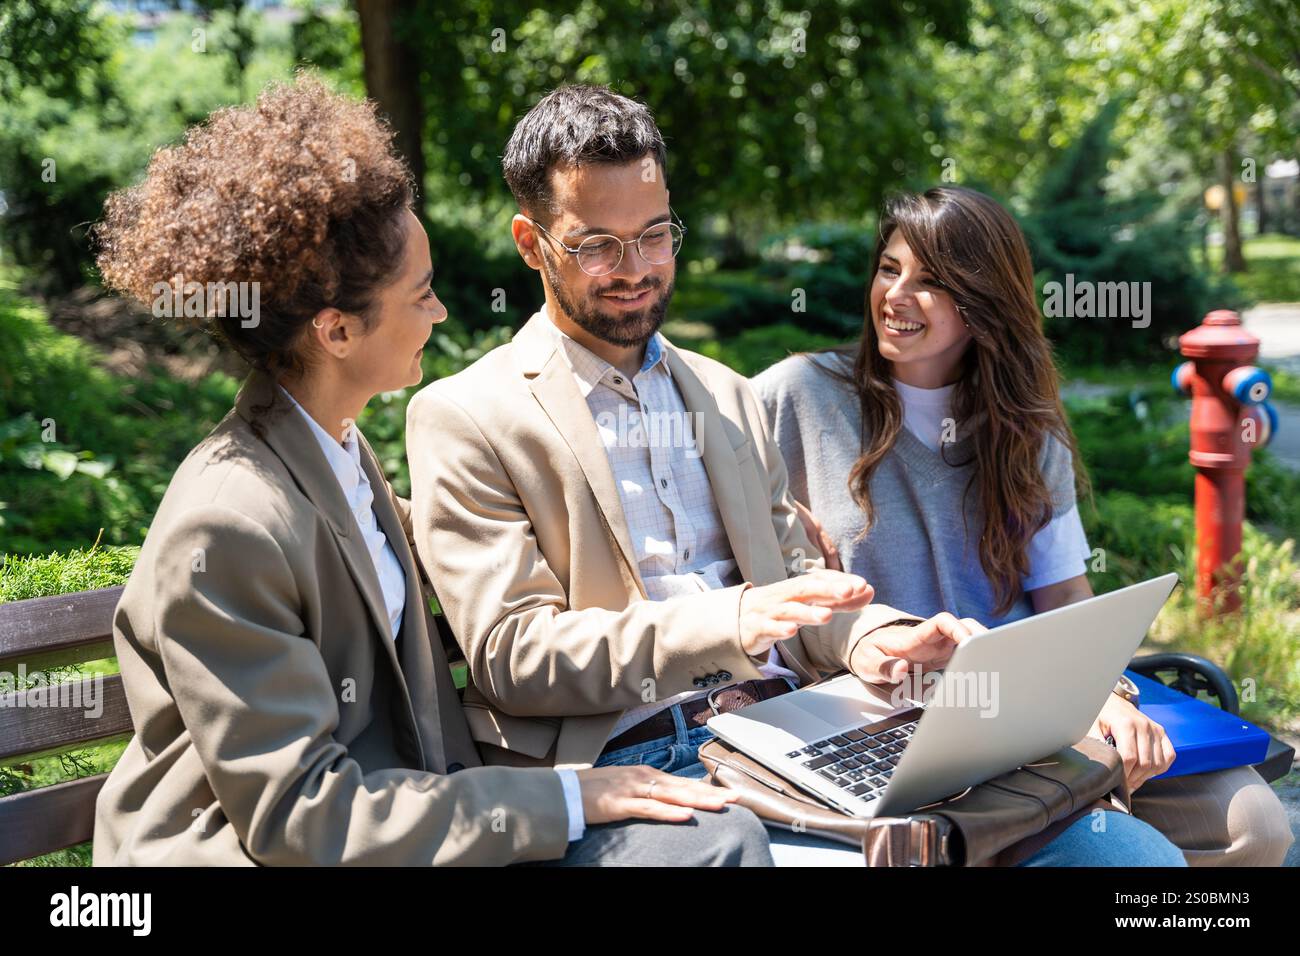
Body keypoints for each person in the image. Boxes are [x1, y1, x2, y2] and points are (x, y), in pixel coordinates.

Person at [405, 86, 1187, 866]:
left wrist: (885, 641)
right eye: (596, 246)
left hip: (800, 727)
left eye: (652, 235)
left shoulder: (724, 394)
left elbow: (803, 591)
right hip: (627, 761)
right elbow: (514, 656)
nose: (635, 269)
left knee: (1135, 863)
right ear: (531, 242)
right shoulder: (469, 414)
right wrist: (736, 620)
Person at [89, 75, 772, 867]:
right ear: (337, 331)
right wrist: (566, 796)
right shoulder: (230, 520)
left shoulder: (336, 454)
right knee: (717, 848)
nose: (443, 313)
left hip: (410, 822)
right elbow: (301, 817)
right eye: (422, 294)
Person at [752, 185, 1293, 867]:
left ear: (982, 302)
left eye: (930, 281)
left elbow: (1065, 598)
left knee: (1256, 828)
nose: (896, 295)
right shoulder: (791, 398)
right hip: (874, 721)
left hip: (1027, 715)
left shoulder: (1026, 429)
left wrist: (1102, 696)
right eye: (890, 270)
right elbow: (758, 578)